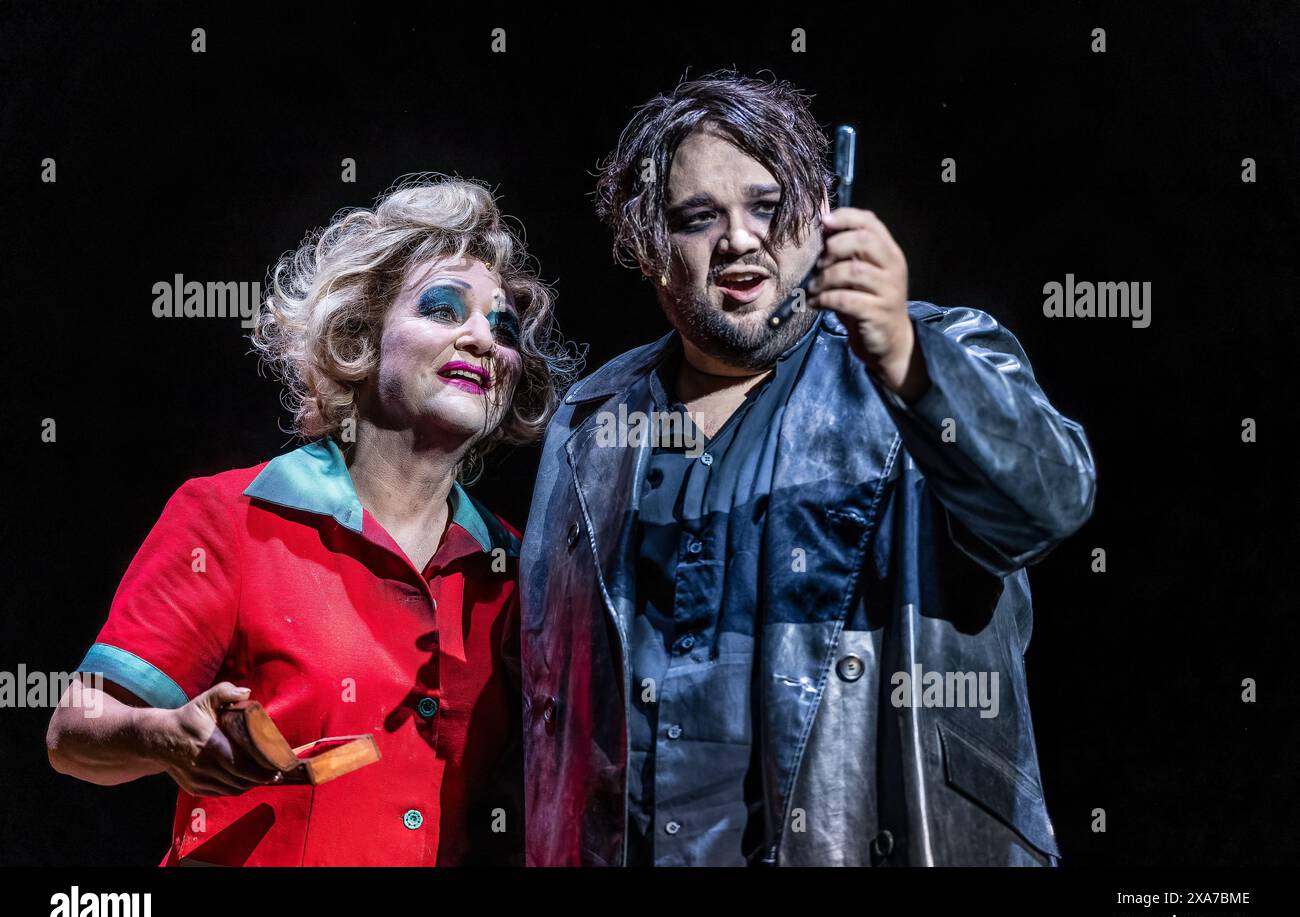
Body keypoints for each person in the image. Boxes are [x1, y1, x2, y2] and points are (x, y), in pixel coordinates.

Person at [519, 72, 1097, 866]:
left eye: (765, 206)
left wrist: (904, 355)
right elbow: (557, 714)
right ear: (649, 249)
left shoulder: (932, 357)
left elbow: (1049, 504)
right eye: (697, 218)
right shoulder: (591, 422)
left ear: (822, 214)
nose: (739, 239)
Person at [47, 175, 574, 865]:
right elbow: (73, 732)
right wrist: (166, 738)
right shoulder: (232, 518)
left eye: (502, 328)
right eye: (444, 309)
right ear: (359, 337)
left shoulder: (514, 569)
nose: (482, 338)